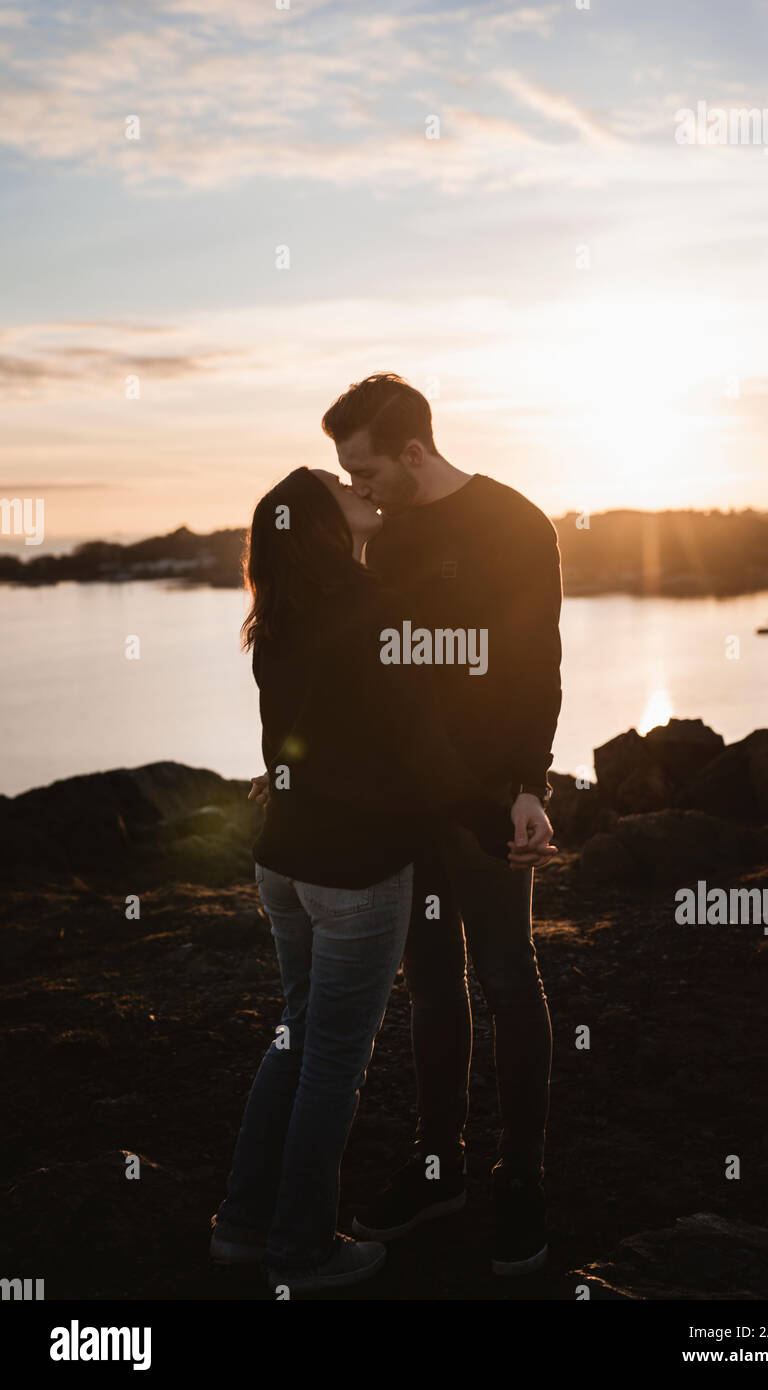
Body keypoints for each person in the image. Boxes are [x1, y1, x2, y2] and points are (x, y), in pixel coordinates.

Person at [210, 465, 486, 1295]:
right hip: (355, 871)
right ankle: (298, 1249)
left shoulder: (276, 618)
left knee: (296, 1038)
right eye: (339, 485)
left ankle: (241, 1224)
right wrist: (499, 809)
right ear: (325, 527)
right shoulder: (376, 608)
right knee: (332, 1057)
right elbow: (419, 746)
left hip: (282, 862)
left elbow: (296, 742)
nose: (354, 486)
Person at [322, 373, 563, 1277]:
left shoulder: (513, 524)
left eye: (366, 468)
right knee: (428, 983)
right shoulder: (374, 535)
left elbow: (538, 663)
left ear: (414, 451)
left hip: (488, 800)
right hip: (399, 805)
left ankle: (523, 1181)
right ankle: (438, 1168)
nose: (357, 486)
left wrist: (529, 786)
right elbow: (359, 669)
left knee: (507, 974)